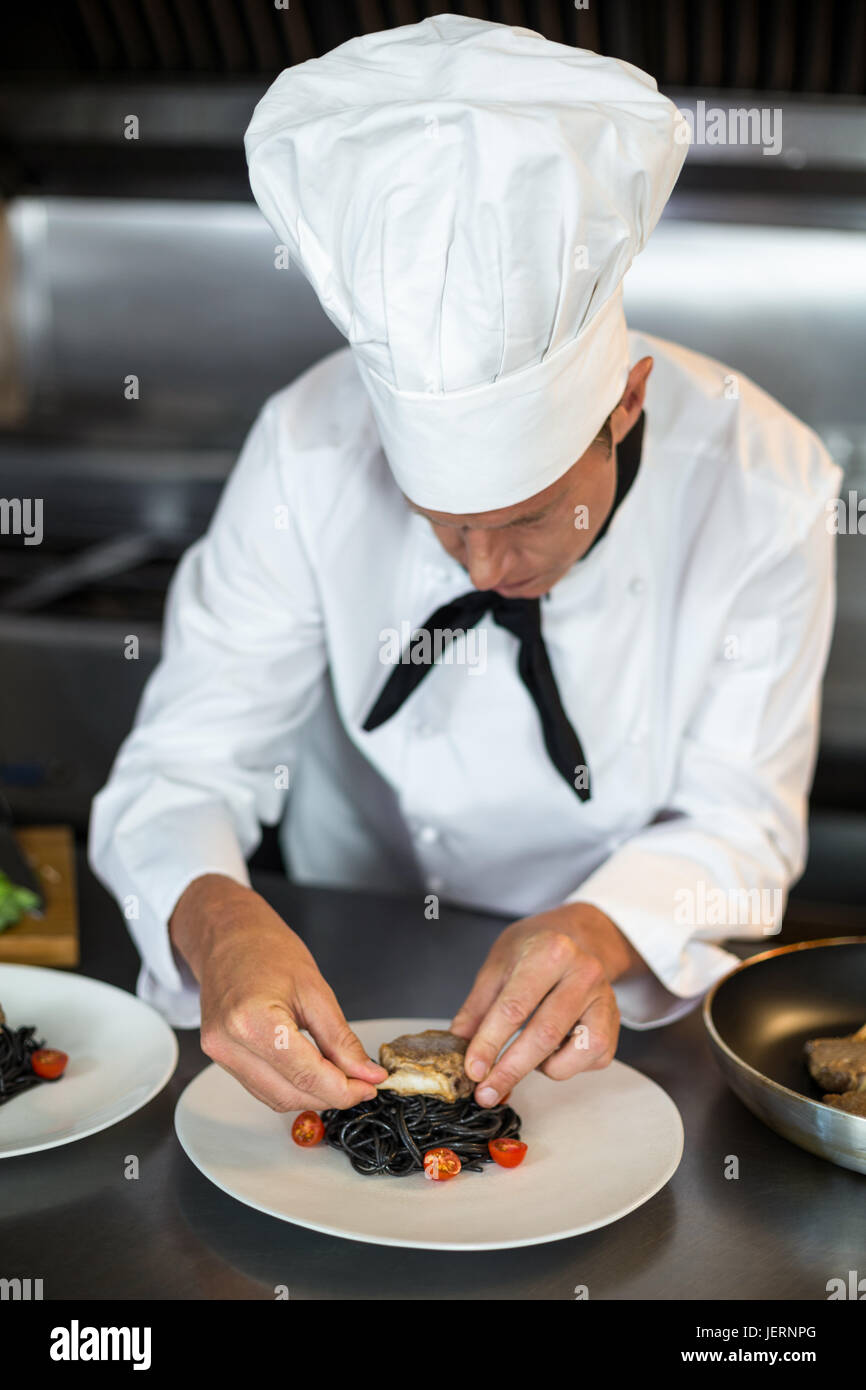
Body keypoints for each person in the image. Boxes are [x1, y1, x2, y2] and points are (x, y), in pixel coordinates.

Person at [89, 14, 841, 1115]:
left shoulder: (764, 478)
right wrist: (217, 919)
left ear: (623, 405)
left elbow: (741, 820)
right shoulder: (307, 444)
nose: (486, 564)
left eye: (531, 514)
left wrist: (600, 930)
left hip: (617, 1008)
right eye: (440, 520)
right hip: (338, 941)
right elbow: (186, 761)